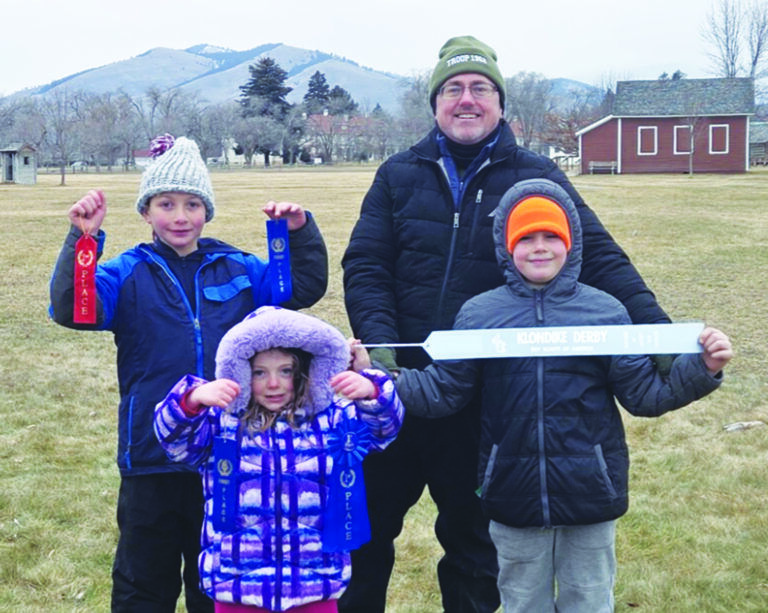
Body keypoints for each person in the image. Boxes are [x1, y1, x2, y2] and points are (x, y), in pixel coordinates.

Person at [341, 35, 676, 612]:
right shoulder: (398, 174)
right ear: (435, 102)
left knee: (474, 551)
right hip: (395, 397)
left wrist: (664, 342)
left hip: (484, 399)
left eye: (479, 89)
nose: (466, 99)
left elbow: (599, 258)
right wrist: (385, 359)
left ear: (500, 102)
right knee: (363, 540)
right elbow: (366, 265)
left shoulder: (535, 173)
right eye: (453, 89)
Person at [394, 178, 733, 612]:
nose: (539, 247)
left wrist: (703, 369)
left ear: (569, 244)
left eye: (551, 236)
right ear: (506, 247)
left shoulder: (605, 312)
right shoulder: (480, 314)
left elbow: (645, 394)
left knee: (588, 599)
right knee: (521, 600)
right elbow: (444, 391)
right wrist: (384, 381)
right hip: (512, 495)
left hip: (591, 492)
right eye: (526, 238)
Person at [48, 135, 329, 613]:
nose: (181, 216)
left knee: (214, 584)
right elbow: (75, 309)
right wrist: (84, 239)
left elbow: (298, 289)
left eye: (193, 204)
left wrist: (298, 233)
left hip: (228, 457)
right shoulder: (126, 273)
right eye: (166, 203)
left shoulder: (237, 269)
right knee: (143, 583)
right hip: (151, 456)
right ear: (146, 211)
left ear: (207, 211)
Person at [153, 306, 405, 612]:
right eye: (260, 372)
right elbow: (175, 441)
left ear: (303, 372)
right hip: (237, 586)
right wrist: (191, 400)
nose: (273, 383)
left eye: (285, 371)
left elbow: (383, 432)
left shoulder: (332, 420)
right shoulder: (222, 423)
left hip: (315, 585)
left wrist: (371, 388)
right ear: (242, 372)